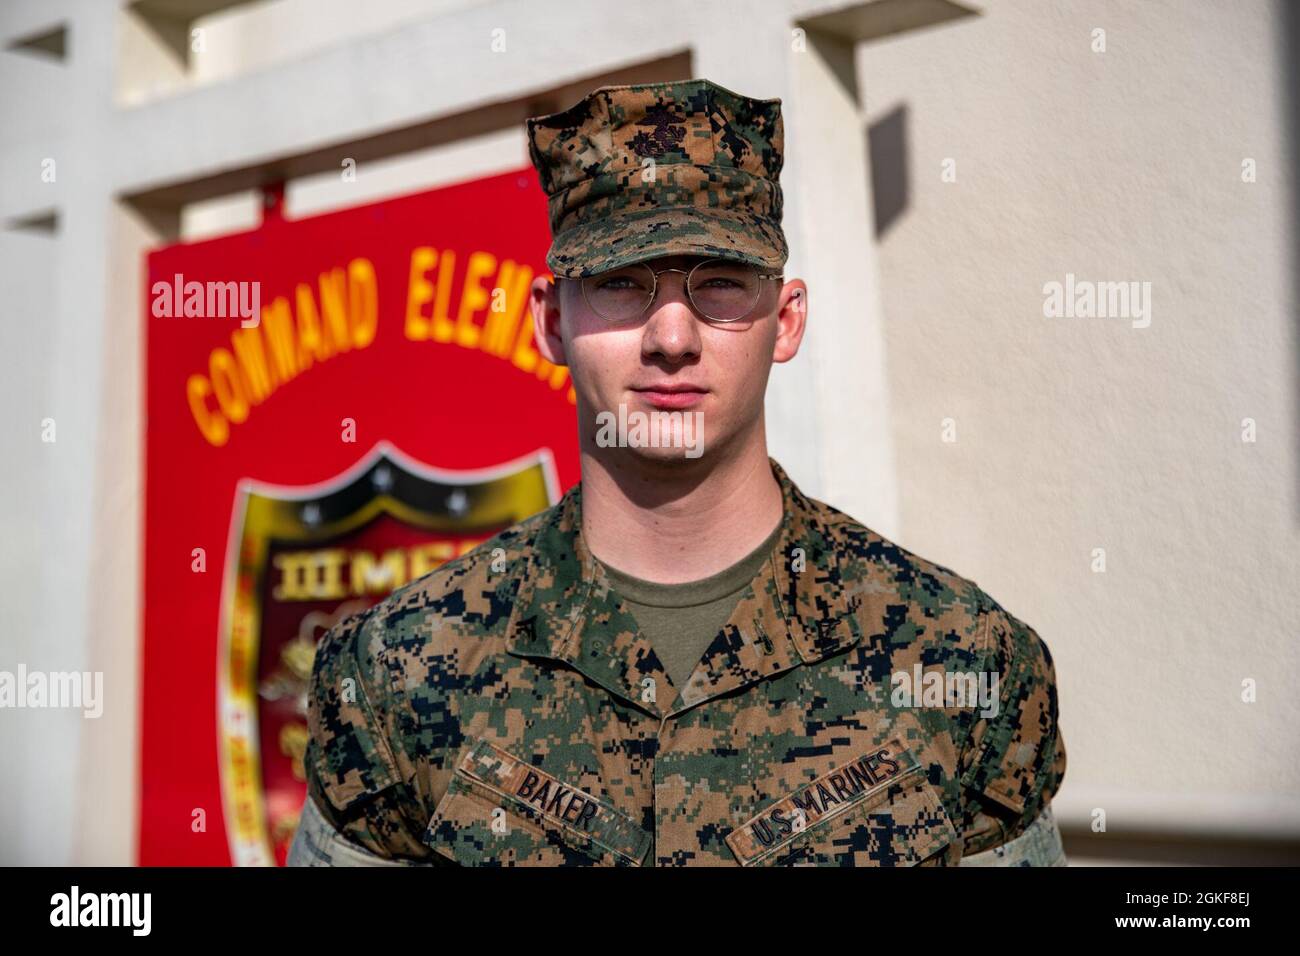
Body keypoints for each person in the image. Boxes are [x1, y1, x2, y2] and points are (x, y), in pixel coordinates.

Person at [287, 77, 1066, 867]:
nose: (670, 335)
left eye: (720, 282)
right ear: (551, 321)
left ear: (787, 320)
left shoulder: (961, 662)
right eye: (620, 283)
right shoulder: (401, 673)